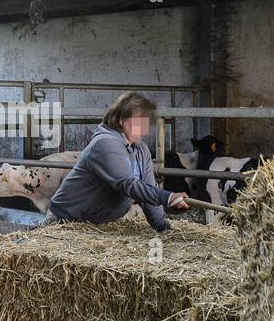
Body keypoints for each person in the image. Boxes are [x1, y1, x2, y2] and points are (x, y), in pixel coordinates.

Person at [45, 91, 188, 232]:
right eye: (139, 121)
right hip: (65, 221)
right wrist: (168, 197)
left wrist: (161, 225)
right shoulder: (105, 144)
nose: (144, 129)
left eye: (146, 123)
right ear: (121, 119)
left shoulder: (141, 150)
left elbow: (148, 188)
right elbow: (127, 184)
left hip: (97, 225)